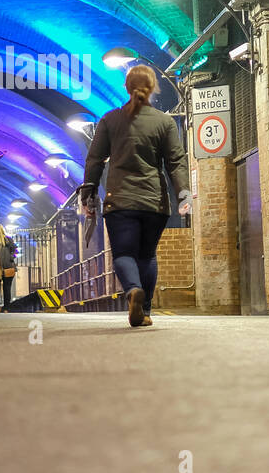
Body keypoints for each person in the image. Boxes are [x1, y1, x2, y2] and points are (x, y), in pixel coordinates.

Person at [80, 64, 190, 328]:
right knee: (147, 255)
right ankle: (147, 310)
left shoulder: (110, 120)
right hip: (154, 202)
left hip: (120, 200)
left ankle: (132, 291)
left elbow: (95, 159)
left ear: (126, 87)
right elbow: (175, 161)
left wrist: (89, 193)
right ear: (153, 88)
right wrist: (183, 193)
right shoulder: (164, 121)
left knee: (123, 254)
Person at [0, 222, 17, 311]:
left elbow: (15, 251)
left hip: (8, 267)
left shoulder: (8, 240)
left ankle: (6, 308)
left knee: (7, 289)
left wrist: (11, 258)